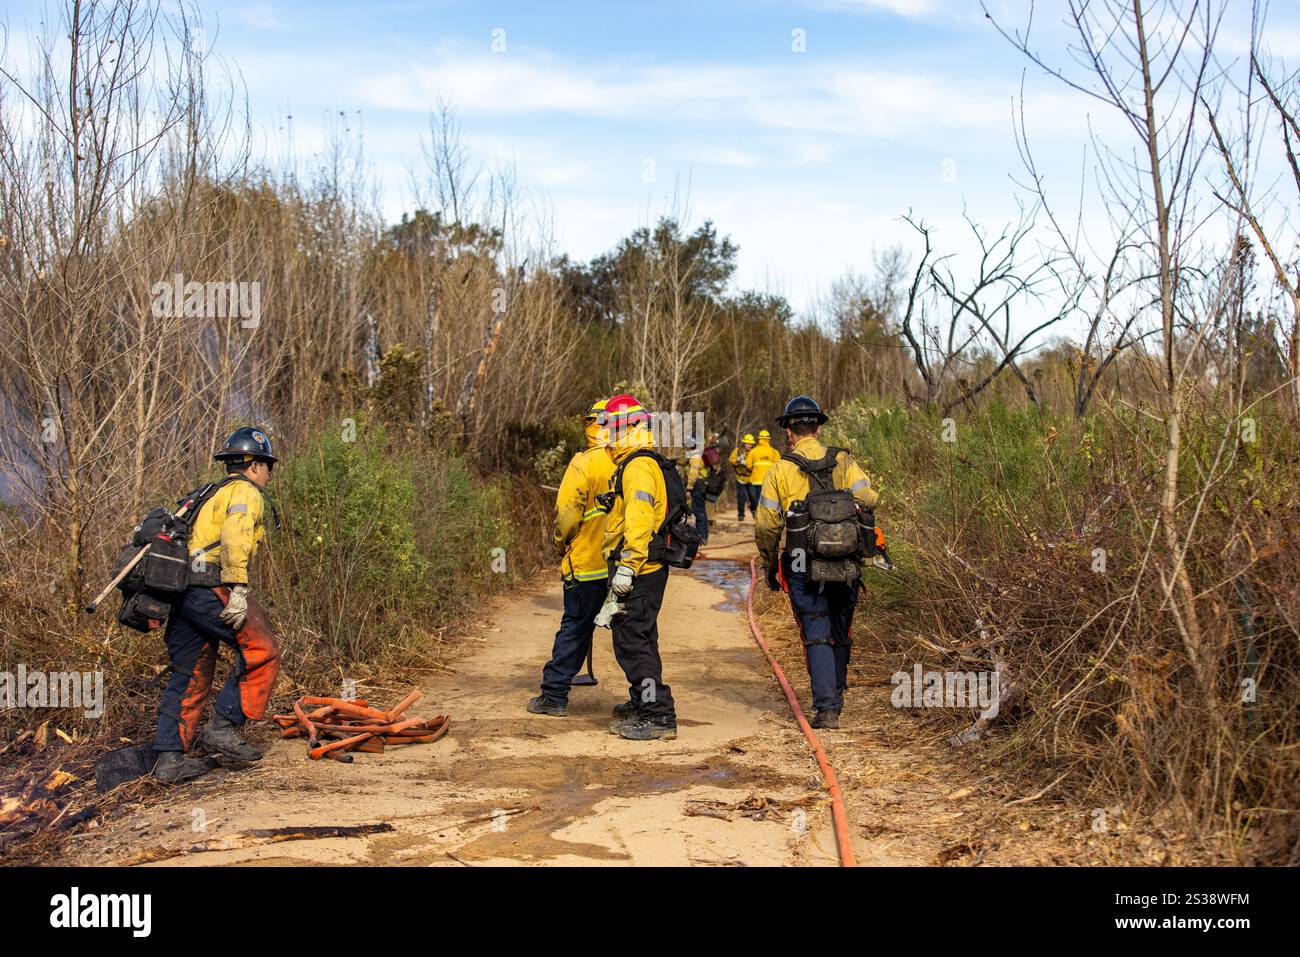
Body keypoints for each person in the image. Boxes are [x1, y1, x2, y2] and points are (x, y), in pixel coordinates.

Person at [152, 427, 282, 783]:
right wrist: (238, 588)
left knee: (191, 670)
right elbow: (235, 536)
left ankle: (169, 759)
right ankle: (224, 727)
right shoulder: (245, 491)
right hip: (212, 585)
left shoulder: (211, 492)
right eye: (268, 466)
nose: (269, 473)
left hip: (183, 590)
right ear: (255, 465)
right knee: (263, 649)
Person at [754, 397, 878, 730]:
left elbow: (766, 525)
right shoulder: (843, 460)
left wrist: (769, 564)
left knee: (816, 629)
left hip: (801, 563)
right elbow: (870, 499)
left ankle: (827, 709)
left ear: (788, 431)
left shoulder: (780, 469)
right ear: (818, 428)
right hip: (846, 561)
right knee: (841, 626)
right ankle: (836, 693)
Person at [529, 399, 614, 716]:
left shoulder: (584, 463)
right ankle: (643, 702)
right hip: (626, 567)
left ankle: (554, 696)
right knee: (634, 637)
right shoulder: (633, 461)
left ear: (590, 425)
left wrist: (560, 544)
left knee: (576, 627)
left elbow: (566, 515)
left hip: (588, 565)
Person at [600, 393, 678, 741]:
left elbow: (640, 520)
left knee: (633, 641)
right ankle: (642, 701)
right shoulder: (638, 462)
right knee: (642, 637)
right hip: (645, 566)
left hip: (640, 568)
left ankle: (658, 714)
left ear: (628, 427)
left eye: (611, 426)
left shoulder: (637, 467)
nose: (606, 434)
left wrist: (627, 567)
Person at [684, 438, 711, 544]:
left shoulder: (695, 456)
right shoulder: (697, 454)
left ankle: (702, 535)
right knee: (700, 510)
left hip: (698, 485)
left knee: (699, 511)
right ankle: (702, 534)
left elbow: (693, 474)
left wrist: (689, 488)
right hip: (701, 484)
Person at [729, 433, 757, 520]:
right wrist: (737, 460)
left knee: (753, 496)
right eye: (747, 443)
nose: (749, 445)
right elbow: (731, 460)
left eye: (750, 444)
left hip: (750, 478)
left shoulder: (754, 452)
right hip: (739, 478)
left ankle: (754, 511)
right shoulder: (737, 451)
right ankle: (741, 515)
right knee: (741, 496)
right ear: (744, 443)